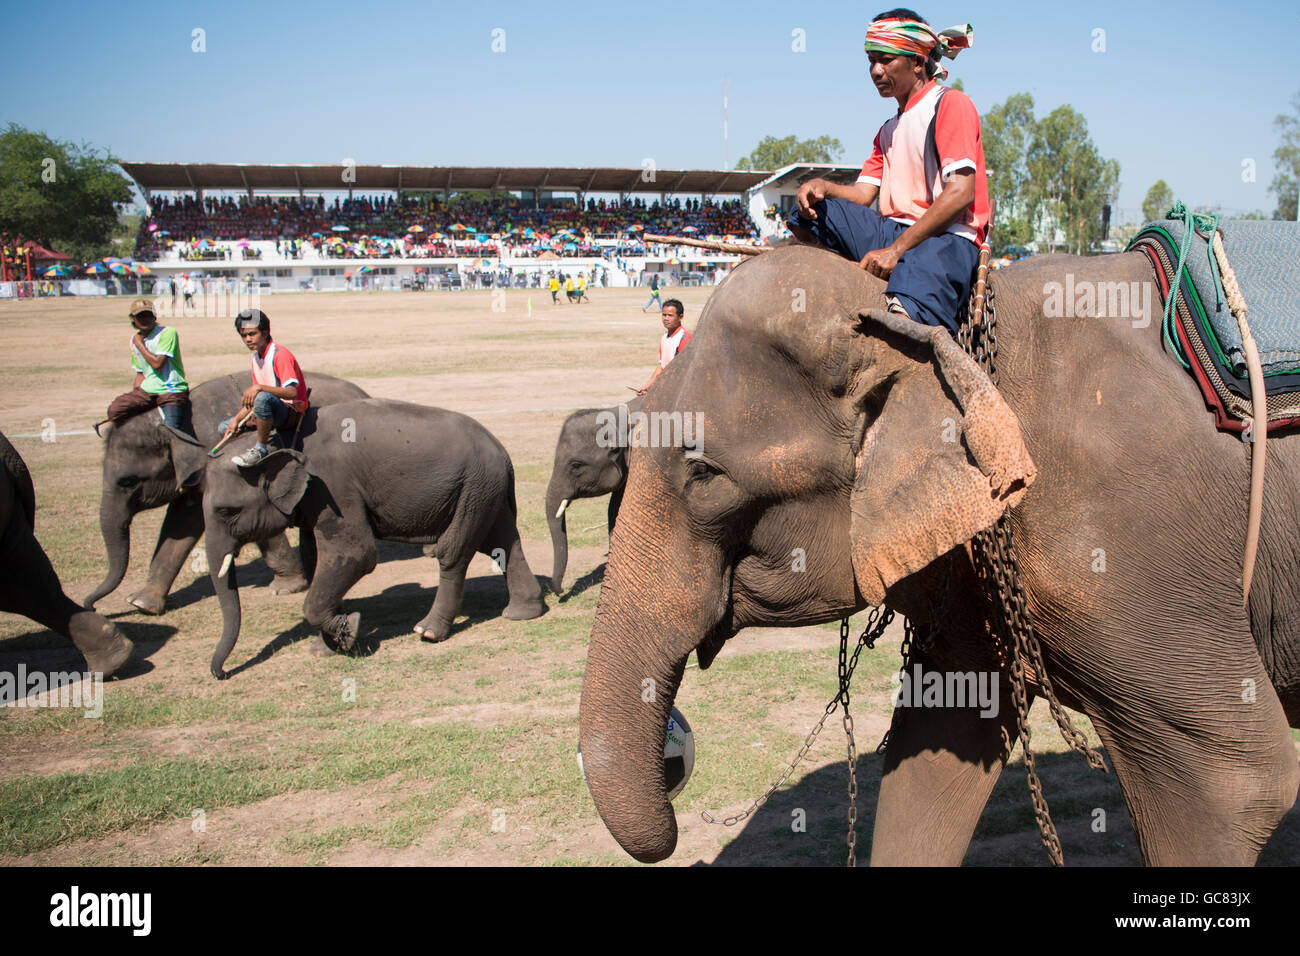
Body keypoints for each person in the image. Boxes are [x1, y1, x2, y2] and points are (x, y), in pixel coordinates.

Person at [787, 9, 987, 334]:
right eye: (871, 61)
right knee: (811, 211)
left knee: (906, 310)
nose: (875, 71)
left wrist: (897, 250)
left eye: (886, 60)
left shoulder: (950, 104)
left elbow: (961, 192)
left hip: (946, 237)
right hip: (892, 230)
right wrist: (823, 185)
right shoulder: (887, 130)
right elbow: (863, 194)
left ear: (918, 62)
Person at [220, 309, 310, 468]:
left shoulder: (280, 355)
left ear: (266, 332)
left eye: (252, 334)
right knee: (224, 427)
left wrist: (259, 388)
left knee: (261, 398)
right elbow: (255, 400)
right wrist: (236, 420)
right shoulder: (256, 359)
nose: (247, 339)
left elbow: (291, 392)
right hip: (270, 407)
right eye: (243, 335)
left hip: (291, 411)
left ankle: (260, 449)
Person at [101, 299, 191, 433]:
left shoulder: (167, 333)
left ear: (155, 317)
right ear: (132, 319)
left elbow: (157, 364)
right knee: (114, 411)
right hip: (148, 391)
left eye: (148, 315)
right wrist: (136, 396)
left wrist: (139, 344)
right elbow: (140, 372)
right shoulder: (134, 341)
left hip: (171, 390)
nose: (145, 319)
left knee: (172, 432)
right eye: (140, 316)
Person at [638, 299, 691, 394]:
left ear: (680, 317)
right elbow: (661, 366)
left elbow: (684, 370)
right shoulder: (664, 338)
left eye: (670, 315)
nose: (666, 318)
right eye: (664, 315)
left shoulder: (684, 339)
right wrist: (647, 386)